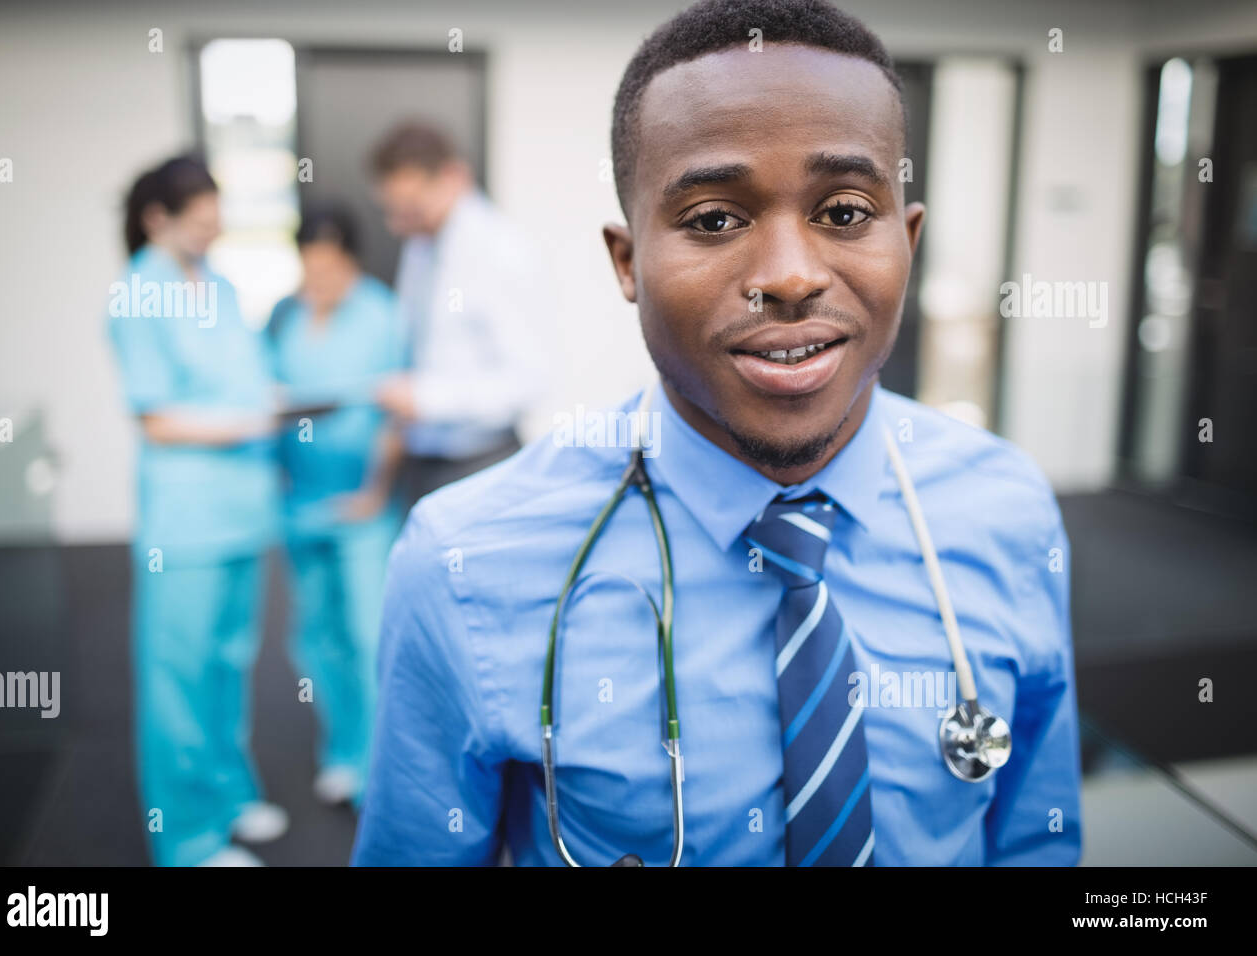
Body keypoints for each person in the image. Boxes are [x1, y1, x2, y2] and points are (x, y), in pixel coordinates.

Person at [351, 0, 1082, 866]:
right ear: (628, 263)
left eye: (845, 212)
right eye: (712, 220)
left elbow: (1036, 841)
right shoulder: (467, 564)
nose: (789, 278)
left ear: (907, 240)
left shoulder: (1008, 511)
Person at [108, 155, 288, 867]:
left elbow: (248, 381)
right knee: (177, 676)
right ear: (158, 218)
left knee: (228, 663)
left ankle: (228, 796)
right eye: (201, 220)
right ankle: (185, 837)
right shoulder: (136, 295)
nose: (212, 233)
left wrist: (277, 403)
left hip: (242, 511)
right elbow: (155, 419)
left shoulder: (218, 288)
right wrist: (247, 422)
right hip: (184, 523)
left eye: (219, 221)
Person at [266, 202, 410, 807]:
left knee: (367, 633)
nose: (317, 280)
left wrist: (375, 491)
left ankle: (383, 770)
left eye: (328, 267)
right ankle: (343, 751)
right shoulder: (283, 315)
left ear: (349, 259)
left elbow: (396, 410)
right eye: (308, 267)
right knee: (314, 635)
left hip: (362, 506)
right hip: (300, 503)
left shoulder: (381, 314)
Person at [368, 122, 546, 506]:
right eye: (393, 211)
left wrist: (428, 398)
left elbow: (527, 382)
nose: (397, 226)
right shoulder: (422, 245)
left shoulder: (501, 252)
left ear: (454, 177)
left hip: (481, 464)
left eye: (411, 209)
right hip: (421, 463)